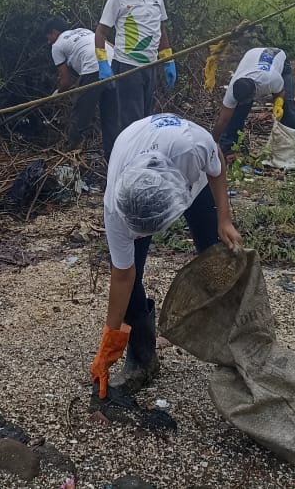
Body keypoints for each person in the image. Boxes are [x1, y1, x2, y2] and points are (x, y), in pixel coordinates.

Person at [89, 114, 243, 398]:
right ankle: (143, 360)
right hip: (136, 148)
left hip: (182, 170)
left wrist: (224, 218)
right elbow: (122, 277)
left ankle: (236, 348)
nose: (141, 237)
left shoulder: (193, 148)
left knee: (216, 257)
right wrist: (109, 344)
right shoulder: (116, 207)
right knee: (131, 281)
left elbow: (217, 162)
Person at [94, 0, 176, 135]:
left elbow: (160, 28)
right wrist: (102, 63)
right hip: (128, 67)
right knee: (132, 122)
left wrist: (168, 61)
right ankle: (130, 160)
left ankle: (141, 155)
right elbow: (101, 31)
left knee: (146, 117)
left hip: (151, 65)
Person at [44, 17, 119, 161]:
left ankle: (68, 157)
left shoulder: (57, 46)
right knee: (111, 117)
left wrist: (57, 94)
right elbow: (110, 45)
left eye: (48, 37)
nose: (49, 41)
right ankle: (113, 157)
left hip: (93, 69)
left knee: (79, 115)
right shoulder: (83, 31)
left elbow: (66, 80)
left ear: (54, 32)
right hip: (114, 66)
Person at [210, 46, 295, 155]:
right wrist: (212, 144)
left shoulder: (270, 80)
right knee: (237, 112)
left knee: (288, 106)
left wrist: (278, 104)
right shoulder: (232, 89)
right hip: (252, 54)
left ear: (255, 93)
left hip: (278, 57)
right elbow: (223, 120)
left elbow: (280, 92)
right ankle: (230, 147)